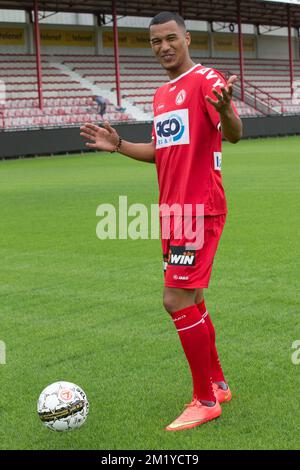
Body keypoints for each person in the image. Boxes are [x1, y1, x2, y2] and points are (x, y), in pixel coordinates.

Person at [80, 11, 242, 432]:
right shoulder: (160, 93)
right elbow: (162, 151)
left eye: (171, 38)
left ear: (187, 38)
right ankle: (218, 384)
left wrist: (227, 113)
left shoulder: (207, 80)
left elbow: (236, 133)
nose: (164, 47)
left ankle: (204, 399)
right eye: (156, 42)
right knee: (194, 297)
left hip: (198, 206)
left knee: (175, 300)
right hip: (174, 211)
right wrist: (119, 145)